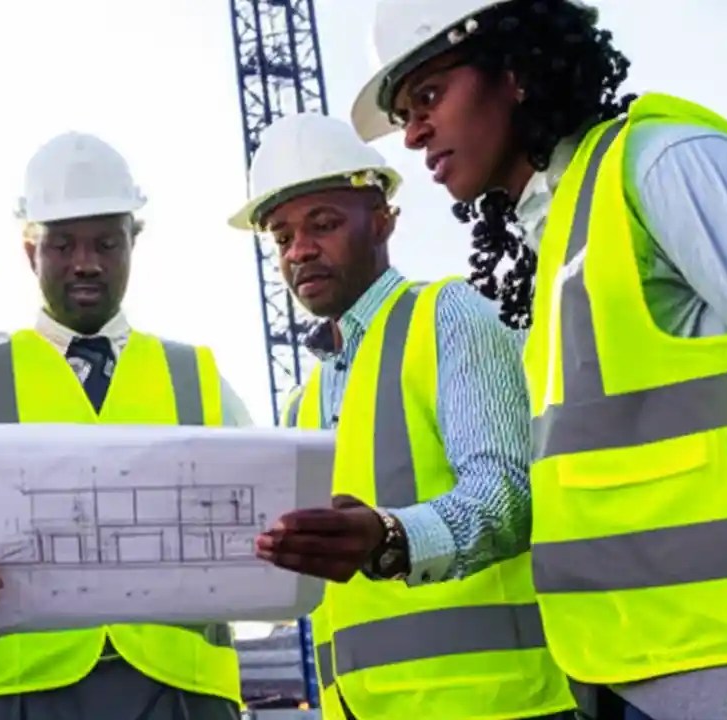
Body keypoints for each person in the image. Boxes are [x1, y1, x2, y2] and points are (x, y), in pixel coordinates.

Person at [280, 1, 727, 719]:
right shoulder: (558, 248)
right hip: (619, 663)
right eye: (405, 112)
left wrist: (394, 537)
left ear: (515, 69)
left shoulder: (658, 164)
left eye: (429, 96)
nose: (415, 131)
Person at [0, 131, 256, 720]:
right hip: (23, 691)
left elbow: (265, 515)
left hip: (184, 690)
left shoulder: (196, 375)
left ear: (134, 244)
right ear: (30, 252)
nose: (86, 262)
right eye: (63, 245)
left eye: (106, 243)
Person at [239, 112, 578, 720]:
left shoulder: (446, 315)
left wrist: (390, 538)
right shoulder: (301, 401)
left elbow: (509, 495)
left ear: (383, 220)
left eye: (323, 223)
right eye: (282, 237)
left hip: (495, 704)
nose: (300, 251)